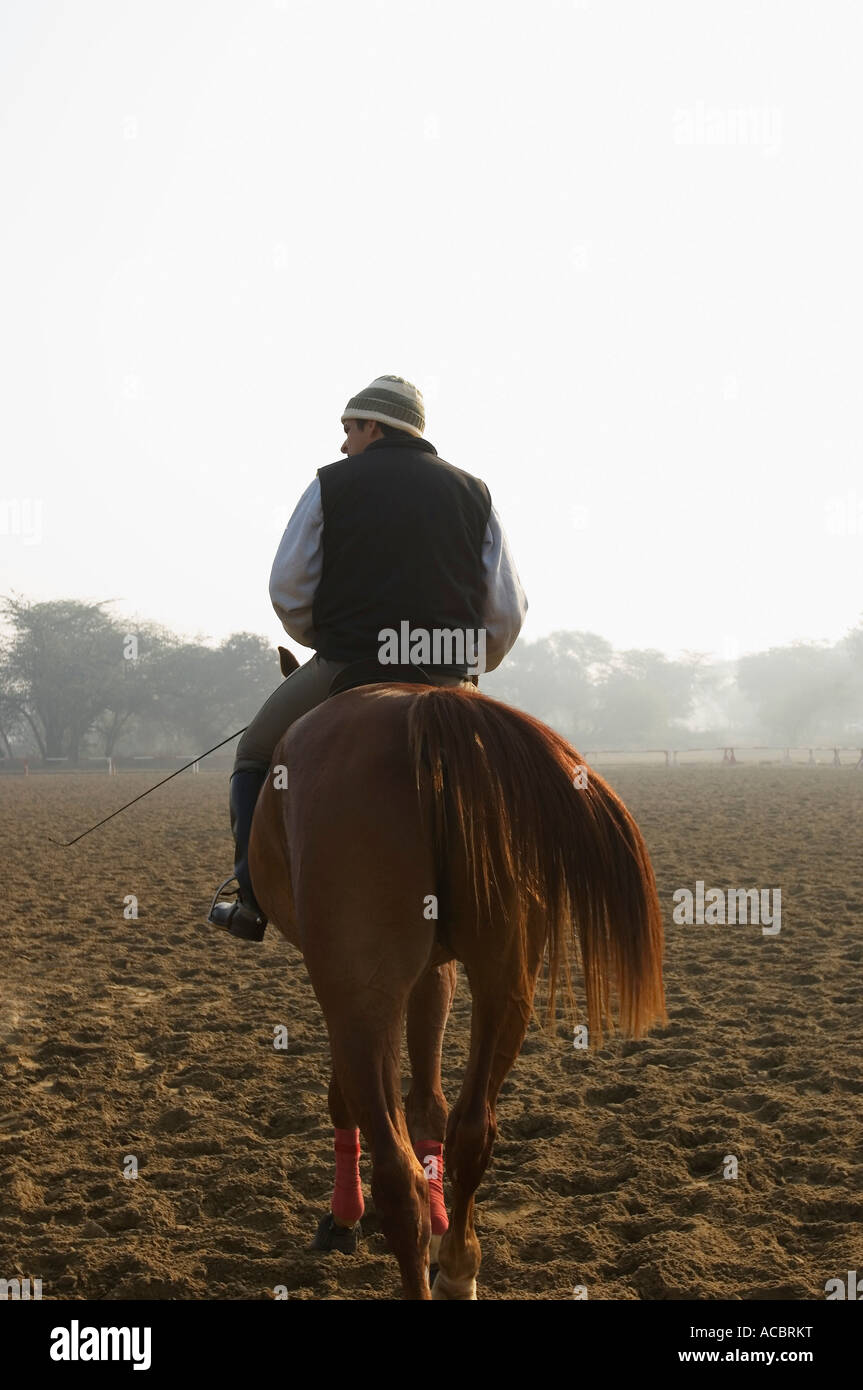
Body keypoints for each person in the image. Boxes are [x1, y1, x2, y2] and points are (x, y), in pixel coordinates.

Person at [207, 374, 527, 942]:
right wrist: (468, 662)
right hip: (448, 672)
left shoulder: (332, 484)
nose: (342, 444)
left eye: (349, 429)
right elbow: (506, 610)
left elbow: (288, 586)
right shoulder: (475, 493)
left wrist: (325, 640)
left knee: (254, 754)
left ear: (375, 426)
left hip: (349, 662)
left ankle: (250, 898)